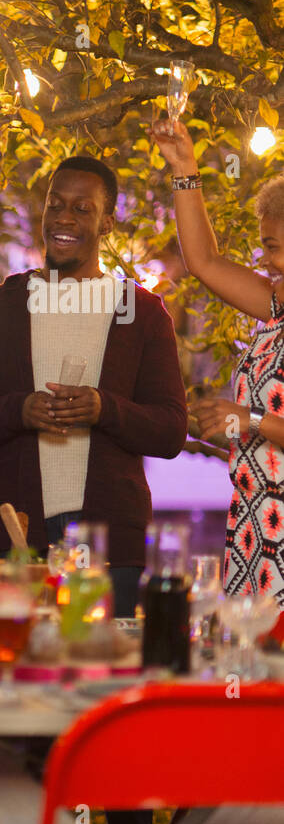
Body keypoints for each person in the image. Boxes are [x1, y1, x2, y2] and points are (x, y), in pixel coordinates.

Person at [0, 154, 187, 824]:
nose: (65, 218)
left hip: (110, 541)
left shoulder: (141, 313)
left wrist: (106, 409)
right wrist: (20, 409)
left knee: (115, 707)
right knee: (22, 704)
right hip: (21, 538)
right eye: (56, 203)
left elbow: (171, 429)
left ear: (108, 219)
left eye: (83, 207)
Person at [151, 117, 284, 601]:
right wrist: (185, 168)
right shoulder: (277, 304)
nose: (265, 260)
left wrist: (248, 419)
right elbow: (203, 262)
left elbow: (261, 421)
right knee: (243, 668)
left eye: (272, 247)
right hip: (253, 522)